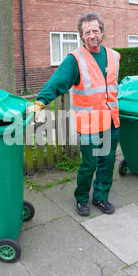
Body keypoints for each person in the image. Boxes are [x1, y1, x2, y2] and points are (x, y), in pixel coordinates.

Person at [28, 12, 121, 216]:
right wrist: (40, 102)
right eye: (86, 32)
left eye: (95, 30)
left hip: (111, 121)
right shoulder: (75, 59)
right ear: (81, 36)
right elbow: (57, 82)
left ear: (102, 32)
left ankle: (100, 197)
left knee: (107, 162)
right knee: (89, 163)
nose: (91, 35)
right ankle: (81, 199)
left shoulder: (114, 56)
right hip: (89, 123)